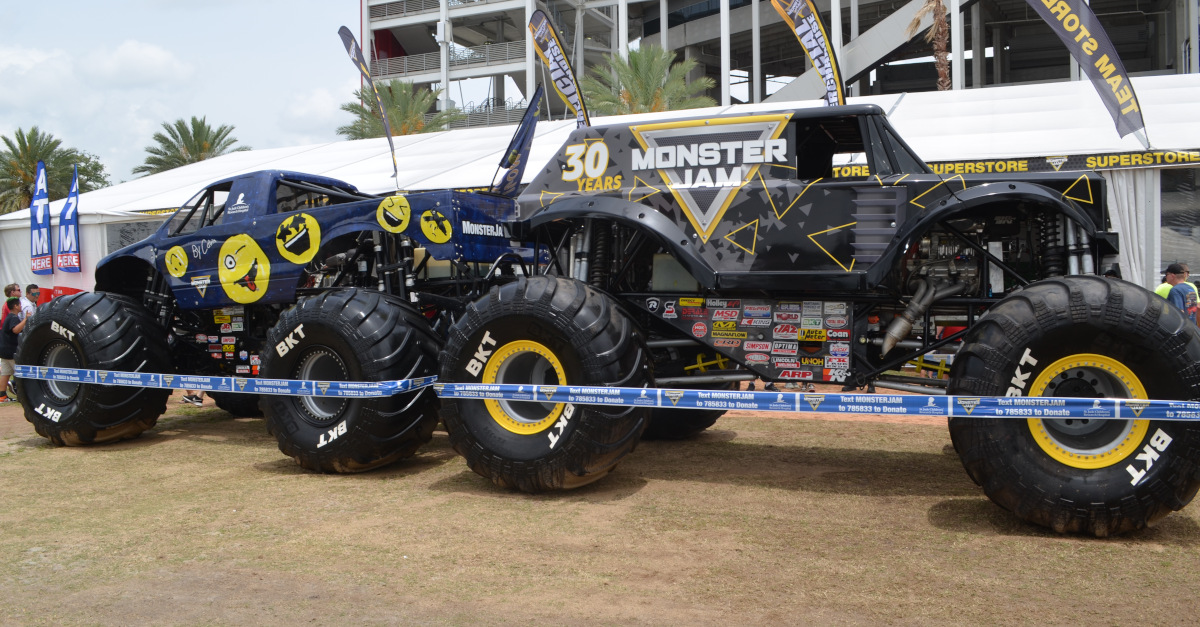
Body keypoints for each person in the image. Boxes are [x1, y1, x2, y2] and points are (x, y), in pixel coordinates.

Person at [1, 297, 28, 403]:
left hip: (4, 350)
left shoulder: (8, 316)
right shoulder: (13, 317)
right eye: (19, 305)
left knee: (5, 373)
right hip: (11, 351)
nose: (21, 306)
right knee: (20, 373)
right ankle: (22, 395)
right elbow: (16, 330)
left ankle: (2, 396)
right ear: (15, 306)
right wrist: (26, 319)